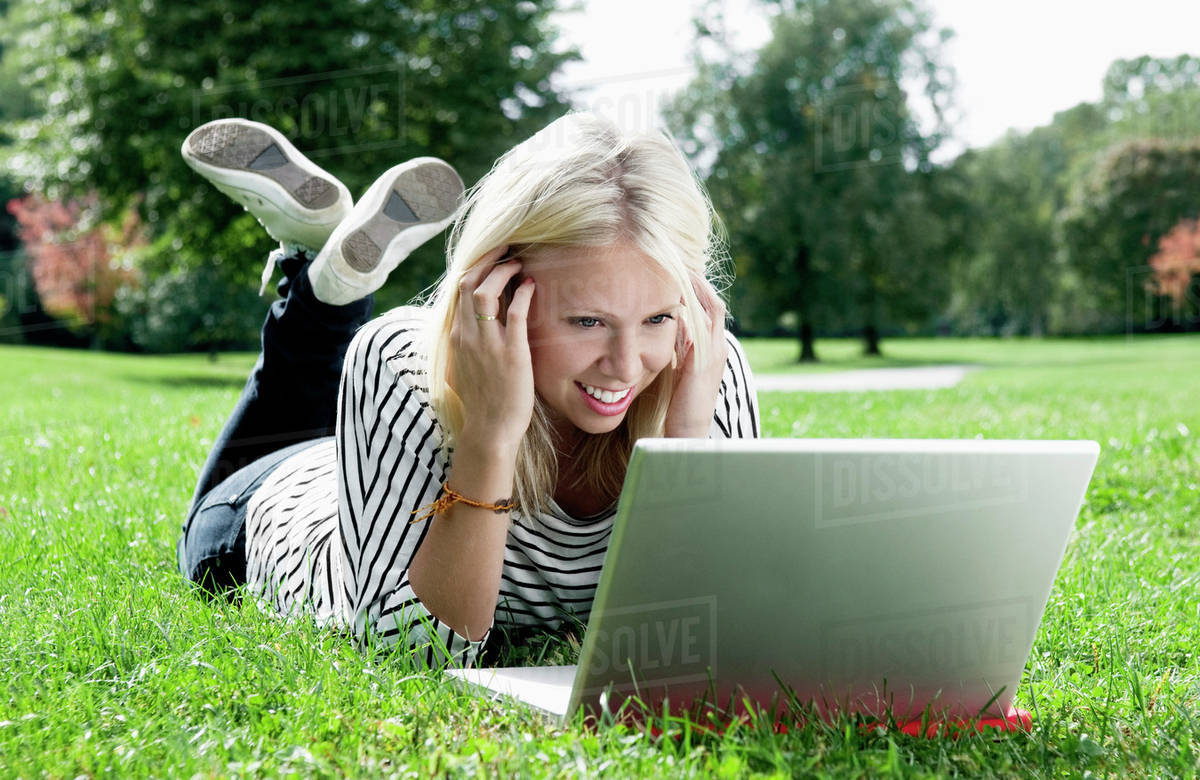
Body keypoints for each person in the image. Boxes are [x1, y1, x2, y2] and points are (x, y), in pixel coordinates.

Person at [176, 113, 760, 669]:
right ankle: (315, 276)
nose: (626, 366)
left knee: (311, 381)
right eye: (587, 321)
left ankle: (321, 267)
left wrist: (687, 448)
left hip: (381, 467)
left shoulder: (703, 366)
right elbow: (414, 654)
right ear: (497, 290)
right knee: (293, 383)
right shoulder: (398, 363)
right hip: (267, 507)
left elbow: (711, 633)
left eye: (657, 318)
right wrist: (489, 436)